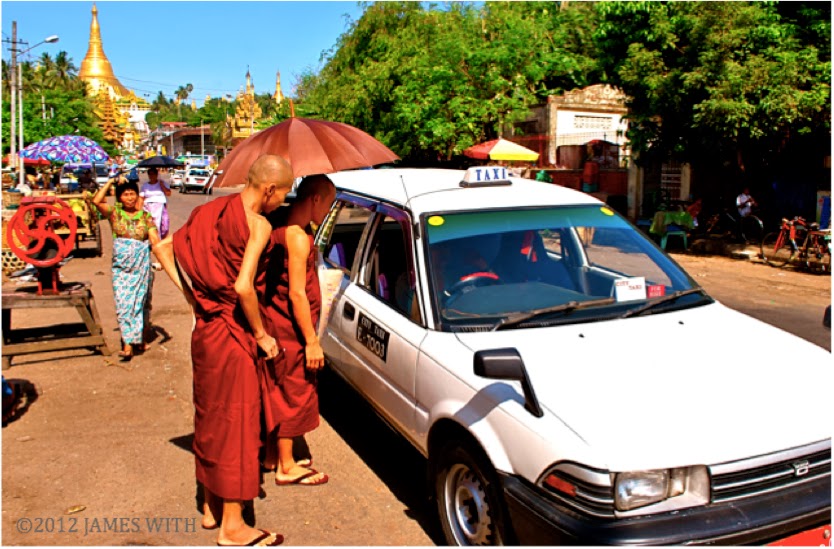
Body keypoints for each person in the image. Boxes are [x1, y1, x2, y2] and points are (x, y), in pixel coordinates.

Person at [152, 154, 293, 547]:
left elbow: (164, 250)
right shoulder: (258, 224)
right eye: (282, 194)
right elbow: (244, 287)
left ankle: (211, 507)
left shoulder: (207, 210)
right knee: (237, 424)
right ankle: (234, 526)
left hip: (208, 332)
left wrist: (196, 303)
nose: (282, 201)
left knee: (211, 418)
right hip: (235, 335)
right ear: (269, 189)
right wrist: (262, 335)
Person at [262, 174, 336, 486]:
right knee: (294, 388)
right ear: (315, 199)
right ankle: (286, 465)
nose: (329, 210)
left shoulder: (283, 223)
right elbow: (296, 293)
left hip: (276, 320)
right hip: (290, 327)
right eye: (329, 203)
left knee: (279, 386)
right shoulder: (296, 235)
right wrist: (311, 341)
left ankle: (271, 455)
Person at [91, 178, 161, 361]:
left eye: (132, 194)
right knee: (123, 304)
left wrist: (162, 258)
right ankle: (128, 343)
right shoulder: (114, 213)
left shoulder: (145, 217)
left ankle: (135, 341)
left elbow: (154, 239)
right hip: (121, 268)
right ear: (120, 197)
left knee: (139, 302)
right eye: (125, 194)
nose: (129, 198)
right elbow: (96, 201)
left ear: (137, 196)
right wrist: (109, 183)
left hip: (141, 266)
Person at [138, 167, 171, 239]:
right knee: (150, 224)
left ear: (156, 175)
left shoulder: (162, 183)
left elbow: (168, 193)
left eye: (153, 174)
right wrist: (139, 209)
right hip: (148, 206)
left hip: (160, 206)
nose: (151, 176)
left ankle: (160, 239)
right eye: (150, 174)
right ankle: (151, 239)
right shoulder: (145, 186)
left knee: (163, 226)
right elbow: (141, 198)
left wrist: (162, 185)